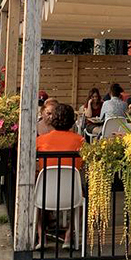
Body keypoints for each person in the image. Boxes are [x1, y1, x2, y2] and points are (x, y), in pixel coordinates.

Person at [35, 103, 85, 247]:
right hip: (72, 194)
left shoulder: (41, 141)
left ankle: (41, 237)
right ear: (72, 120)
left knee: (36, 200)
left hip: (44, 193)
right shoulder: (80, 141)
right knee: (83, 198)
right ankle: (69, 236)